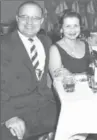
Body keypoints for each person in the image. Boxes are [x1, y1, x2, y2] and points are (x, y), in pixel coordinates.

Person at [1, 1, 59, 140]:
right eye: (24, 17)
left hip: (45, 104)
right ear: (17, 18)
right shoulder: (3, 45)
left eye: (35, 18)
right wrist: (8, 117)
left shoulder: (46, 41)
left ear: (42, 20)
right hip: (15, 110)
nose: (29, 22)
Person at [49, 11, 92, 78]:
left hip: (86, 88)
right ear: (61, 29)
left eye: (75, 26)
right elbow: (57, 81)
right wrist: (84, 75)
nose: (72, 30)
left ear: (80, 27)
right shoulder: (54, 49)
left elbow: (93, 73)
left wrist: (71, 75)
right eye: (68, 26)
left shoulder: (86, 45)